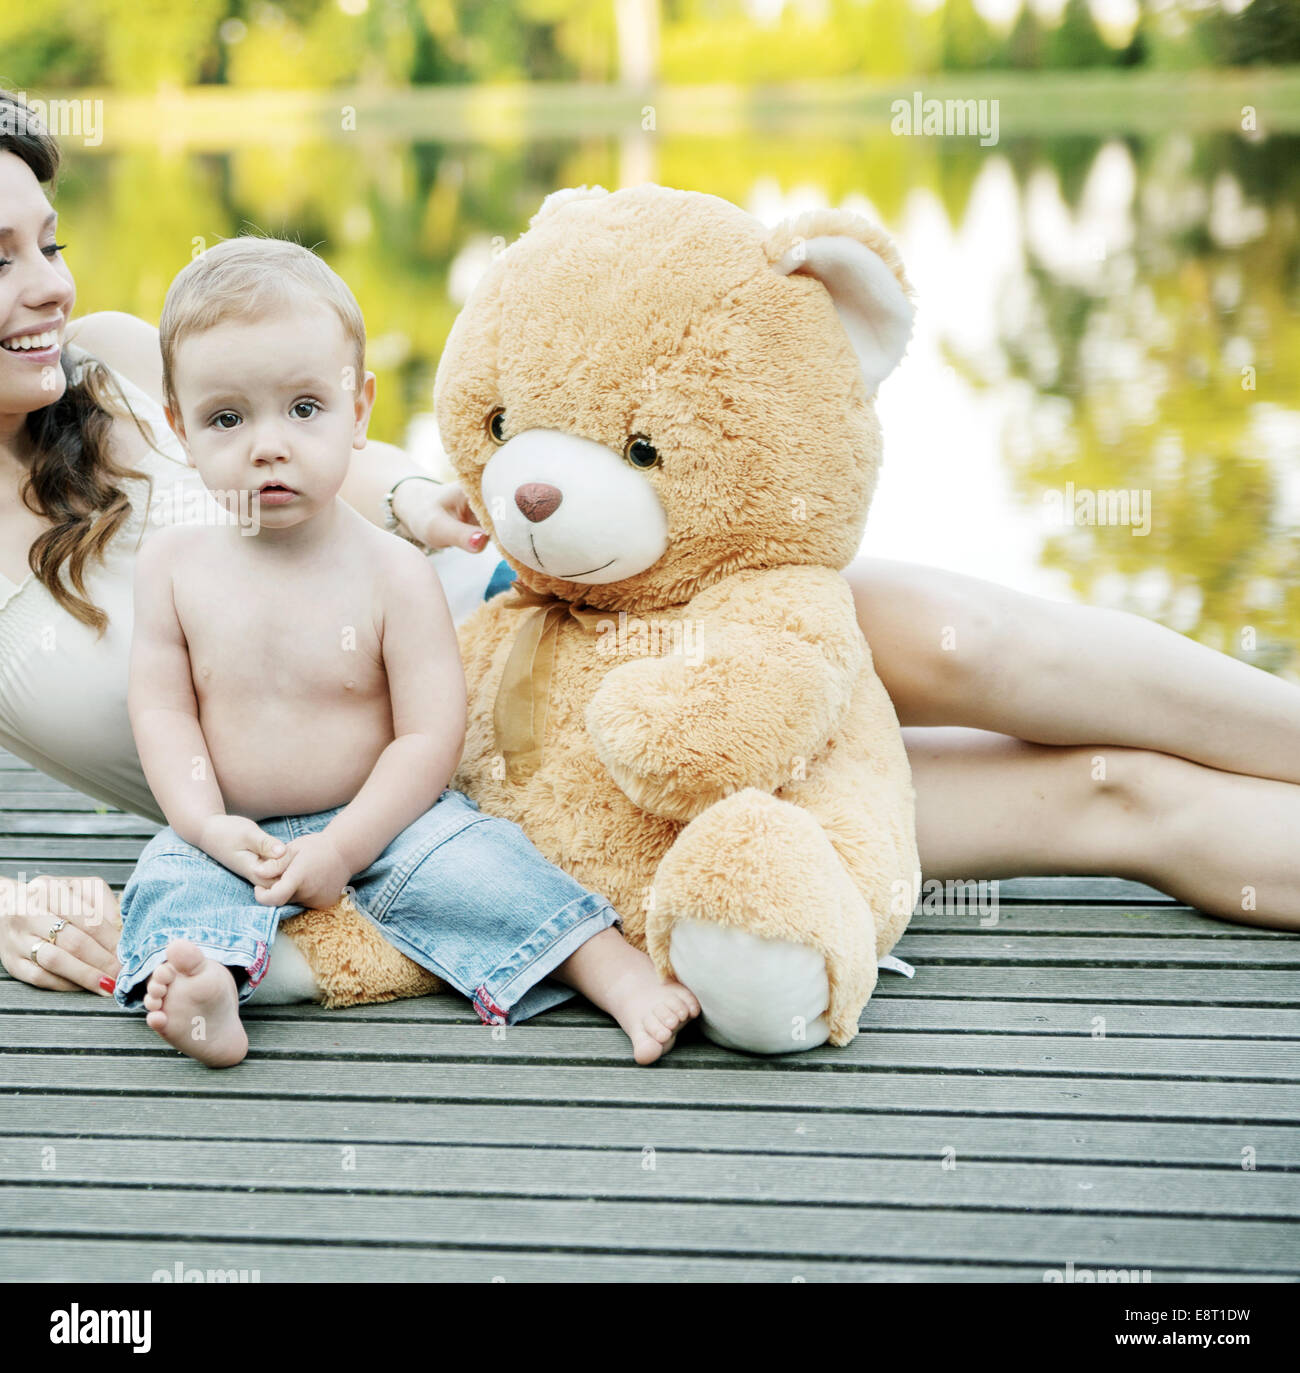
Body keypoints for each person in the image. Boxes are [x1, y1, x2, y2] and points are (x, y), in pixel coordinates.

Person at [2, 91, 1298, 1013]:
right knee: (1105, 800)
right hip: (519, 775)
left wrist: (423, 503)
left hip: (561, 583)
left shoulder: (120, 360)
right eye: (0, 260)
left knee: (971, 638)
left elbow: (352, 456)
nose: (47, 286)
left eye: (46, 241)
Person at [111, 234, 701, 1067]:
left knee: (490, 864)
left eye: (304, 408)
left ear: (359, 410)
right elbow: (163, 709)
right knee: (166, 882)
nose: (268, 444)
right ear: (180, 428)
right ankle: (206, 985)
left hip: (388, 820)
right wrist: (204, 821)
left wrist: (347, 845)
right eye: (227, 417)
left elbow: (429, 735)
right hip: (237, 830)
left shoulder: (391, 570)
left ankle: (619, 976)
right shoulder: (173, 565)